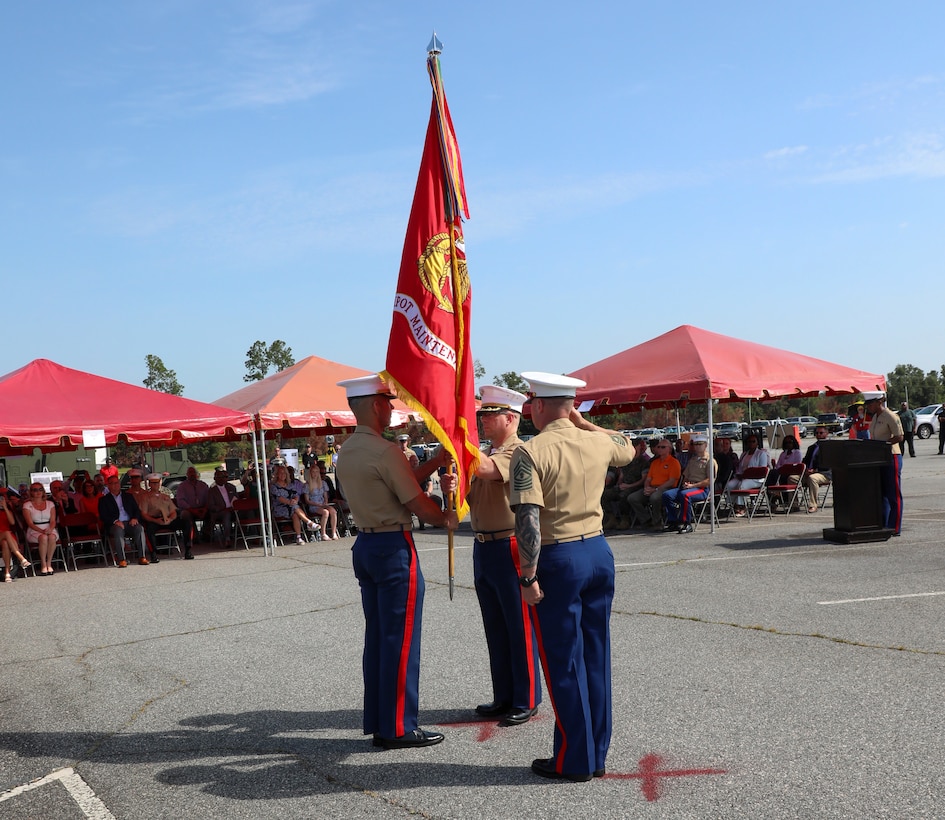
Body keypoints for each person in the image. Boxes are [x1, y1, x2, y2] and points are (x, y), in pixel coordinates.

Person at [509, 371, 634, 782]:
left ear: (539, 406)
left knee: (564, 661)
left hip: (558, 557)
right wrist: (584, 423)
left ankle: (573, 760)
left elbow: (528, 518)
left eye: (531, 403)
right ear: (572, 407)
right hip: (597, 550)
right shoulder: (595, 441)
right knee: (596, 656)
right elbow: (628, 447)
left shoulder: (530, 451)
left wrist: (527, 577)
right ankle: (596, 753)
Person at [335, 373, 457, 750]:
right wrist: (444, 518)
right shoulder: (385, 451)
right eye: (388, 403)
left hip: (366, 545)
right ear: (376, 406)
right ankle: (400, 726)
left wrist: (434, 462)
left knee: (378, 639)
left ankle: (380, 721)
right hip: (393, 548)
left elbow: (394, 483)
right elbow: (414, 501)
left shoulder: (348, 451)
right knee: (401, 640)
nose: (391, 409)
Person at [440, 385, 542, 727]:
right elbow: (470, 495)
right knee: (496, 626)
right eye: (481, 415)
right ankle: (505, 694)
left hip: (509, 544)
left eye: (489, 415)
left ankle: (526, 697)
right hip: (484, 545)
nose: (482, 421)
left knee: (519, 625)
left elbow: (486, 470)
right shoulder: (485, 452)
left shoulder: (517, 451)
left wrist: (458, 444)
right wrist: (452, 489)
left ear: (510, 418)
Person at [864, 391, 904, 535]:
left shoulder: (891, 416)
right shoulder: (875, 417)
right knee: (882, 493)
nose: (868, 407)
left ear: (879, 402)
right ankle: (884, 524)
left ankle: (895, 527)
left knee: (894, 494)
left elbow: (899, 436)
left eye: (870, 404)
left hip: (891, 456)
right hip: (879, 457)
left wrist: (883, 444)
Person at [662, 435, 716, 533]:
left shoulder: (710, 460)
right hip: (689, 487)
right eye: (695, 444)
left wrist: (693, 486)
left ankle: (686, 523)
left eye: (700, 444)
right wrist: (686, 483)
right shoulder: (692, 460)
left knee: (685, 495)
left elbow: (709, 480)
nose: (697, 447)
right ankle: (673, 521)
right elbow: (685, 475)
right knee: (667, 495)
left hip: (702, 489)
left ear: (706, 445)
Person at [628, 438, 681, 530]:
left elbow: (672, 481)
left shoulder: (674, 462)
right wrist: (646, 487)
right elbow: (648, 478)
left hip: (666, 488)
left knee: (655, 497)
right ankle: (647, 520)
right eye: (658, 447)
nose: (659, 449)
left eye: (663, 447)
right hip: (652, 487)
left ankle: (658, 522)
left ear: (669, 449)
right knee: (632, 498)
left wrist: (656, 489)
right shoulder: (655, 462)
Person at [99, 475, 149, 566]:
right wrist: (115, 521)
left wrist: (135, 518)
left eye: (116, 483)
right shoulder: (104, 500)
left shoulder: (128, 496)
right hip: (114, 524)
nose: (115, 485)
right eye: (112, 483)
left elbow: (136, 510)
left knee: (139, 528)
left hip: (129, 522)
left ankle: (142, 557)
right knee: (118, 530)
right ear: (108, 485)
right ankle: (122, 559)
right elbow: (103, 516)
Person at [601, 437, 649, 531]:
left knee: (623, 496)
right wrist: (619, 484)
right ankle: (612, 518)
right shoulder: (627, 461)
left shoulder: (644, 462)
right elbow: (621, 476)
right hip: (624, 486)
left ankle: (625, 519)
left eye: (636, 447)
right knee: (605, 494)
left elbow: (643, 480)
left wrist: (628, 486)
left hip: (636, 487)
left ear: (640, 448)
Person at [271, 464, 317, 544]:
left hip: (291, 506)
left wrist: (295, 500)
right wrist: (290, 502)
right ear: (277, 475)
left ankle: (299, 537)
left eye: (284, 473)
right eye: (280, 473)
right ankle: (309, 522)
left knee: (295, 513)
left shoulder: (290, 485)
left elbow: (296, 495)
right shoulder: (274, 486)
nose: (282, 475)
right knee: (294, 507)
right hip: (279, 508)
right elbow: (279, 498)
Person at [725, 434, 769, 517]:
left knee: (742, 485)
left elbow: (762, 470)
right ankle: (732, 504)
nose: (751, 443)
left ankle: (741, 506)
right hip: (743, 477)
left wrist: (748, 474)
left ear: (757, 443)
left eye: (753, 441)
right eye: (749, 442)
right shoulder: (744, 454)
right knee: (729, 485)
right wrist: (739, 475)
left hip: (756, 479)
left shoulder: (761, 454)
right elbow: (740, 468)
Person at [139, 474, 180, 559]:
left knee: (185, 522)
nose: (156, 485)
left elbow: (173, 512)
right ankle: (153, 553)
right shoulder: (145, 497)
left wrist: (170, 519)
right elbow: (144, 514)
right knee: (149, 529)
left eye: (157, 483)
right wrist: (156, 521)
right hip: (154, 520)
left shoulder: (165, 496)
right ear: (149, 484)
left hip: (167, 519)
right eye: (153, 483)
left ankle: (188, 550)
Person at [22, 483, 58, 575]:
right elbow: (30, 523)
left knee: (52, 537)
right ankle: (43, 563)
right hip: (34, 530)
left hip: (49, 528)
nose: (38, 492)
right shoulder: (27, 505)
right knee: (43, 537)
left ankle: (49, 563)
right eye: (35, 490)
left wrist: (50, 529)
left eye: (40, 489)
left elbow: (53, 520)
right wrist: (42, 531)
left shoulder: (50, 504)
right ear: (31, 492)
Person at [176, 466, 210, 558]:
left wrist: (205, 508)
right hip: (189, 509)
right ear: (187, 475)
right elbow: (180, 501)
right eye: (190, 473)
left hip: (202, 508)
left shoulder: (203, 485)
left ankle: (207, 533)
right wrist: (191, 509)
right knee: (185, 515)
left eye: (193, 472)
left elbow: (209, 498)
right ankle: (193, 537)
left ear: (196, 474)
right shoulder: (182, 486)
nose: (192, 474)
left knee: (213, 512)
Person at [303, 462, 339, 540]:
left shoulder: (323, 483)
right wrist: (317, 504)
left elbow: (325, 496)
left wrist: (325, 502)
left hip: (322, 504)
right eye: (313, 472)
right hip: (314, 505)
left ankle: (334, 532)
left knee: (333, 511)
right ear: (310, 473)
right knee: (326, 512)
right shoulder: (307, 485)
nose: (315, 474)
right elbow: (307, 500)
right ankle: (323, 533)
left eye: (316, 472)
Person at [1, 490, 30, 582]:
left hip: (7, 537)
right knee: (6, 533)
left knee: (5, 543)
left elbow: (12, 522)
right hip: (2, 534)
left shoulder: (8, 510)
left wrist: (5, 507)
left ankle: (7, 573)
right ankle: (20, 557)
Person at [766, 435, 802, 510]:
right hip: (781, 473)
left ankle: (776, 493)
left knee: (775, 474)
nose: (788, 444)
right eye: (786, 443)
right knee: (772, 472)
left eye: (790, 442)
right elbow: (778, 465)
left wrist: (784, 468)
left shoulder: (797, 453)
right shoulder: (783, 454)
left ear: (794, 443)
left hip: (792, 473)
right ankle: (773, 493)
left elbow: (797, 465)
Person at [803, 425, 832, 513]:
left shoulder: (829, 447)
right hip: (809, 472)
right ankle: (794, 504)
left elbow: (828, 464)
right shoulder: (811, 447)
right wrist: (805, 470)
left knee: (813, 478)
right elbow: (805, 461)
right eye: (817, 433)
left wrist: (815, 471)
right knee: (792, 478)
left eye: (821, 433)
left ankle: (813, 505)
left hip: (824, 473)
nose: (818, 435)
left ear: (826, 433)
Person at [207, 468, 239, 548]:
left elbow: (237, 499)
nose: (222, 479)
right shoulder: (212, 490)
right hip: (219, 512)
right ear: (215, 478)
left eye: (224, 477)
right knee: (226, 515)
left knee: (248, 512)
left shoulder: (231, 487)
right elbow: (211, 506)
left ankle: (250, 535)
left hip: (233, 510)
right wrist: (222, 508)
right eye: (219, 477)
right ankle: (227, 539)